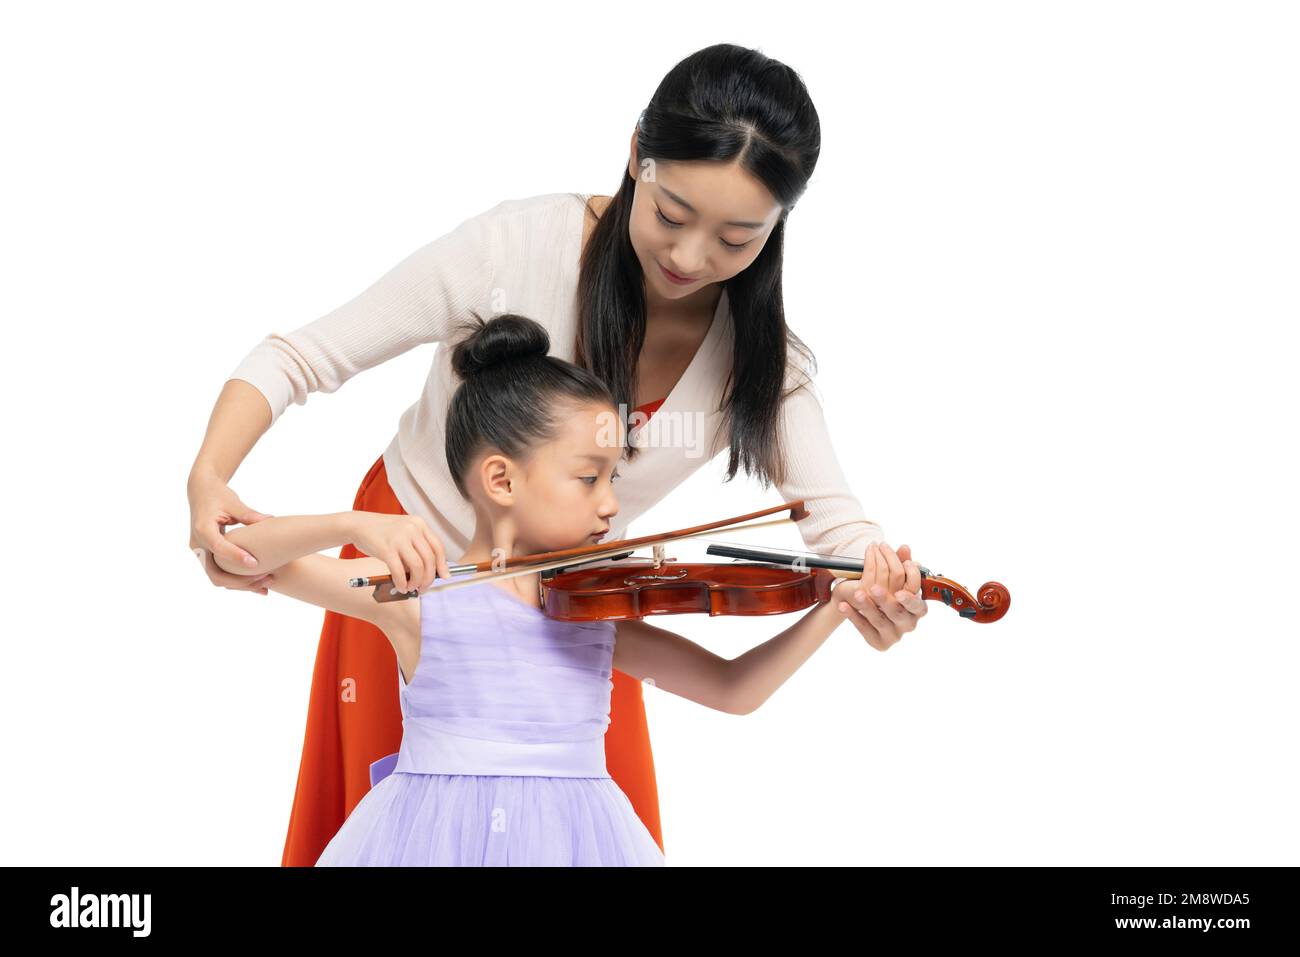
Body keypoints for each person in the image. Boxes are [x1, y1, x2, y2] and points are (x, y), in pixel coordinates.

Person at [187, 43, 926, 867]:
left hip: (575, 589)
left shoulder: (761, 367)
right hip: (414, 552)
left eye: (736, 238)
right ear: (637, 154)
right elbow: (303, 357)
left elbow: (833, 525)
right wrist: (211, 477)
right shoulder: (515, 249)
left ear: (777, 227)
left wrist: (875, 586)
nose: (689, 259)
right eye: (673, 215)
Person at [208, 313, 924, 865]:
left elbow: (734, 689)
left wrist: (834, 605)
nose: (612, 502)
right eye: (590, 477)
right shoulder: (422, 595)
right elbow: (242, 553)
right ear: (502, 480)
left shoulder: (596, 613)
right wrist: (351, 520)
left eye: (614, 476)